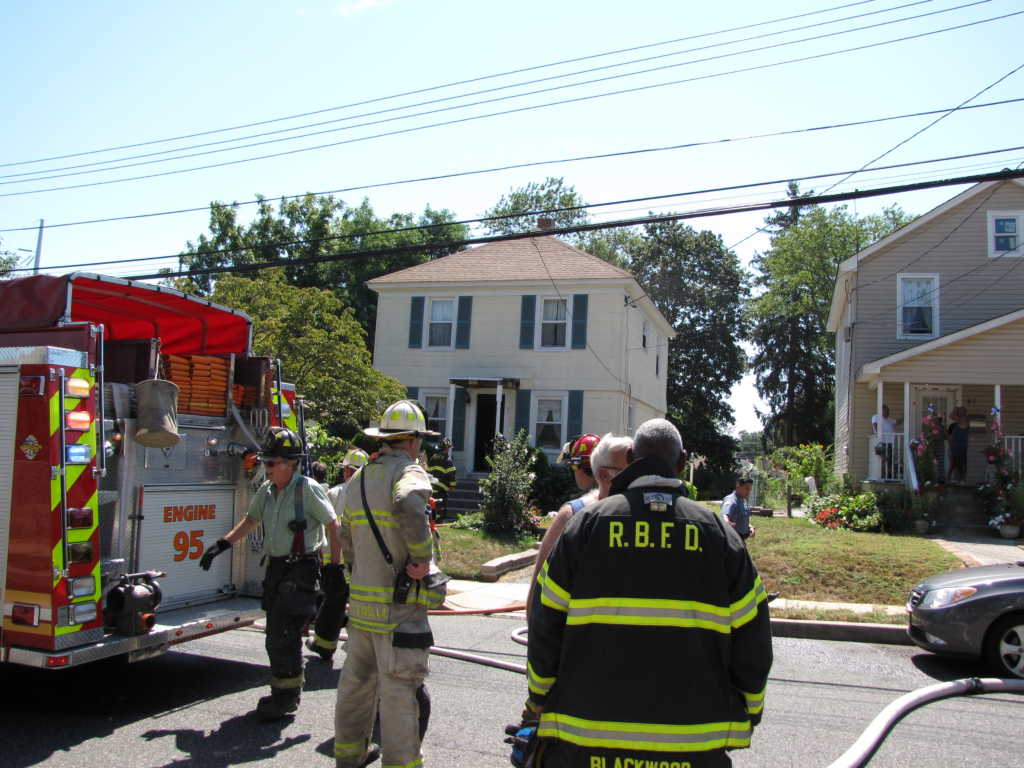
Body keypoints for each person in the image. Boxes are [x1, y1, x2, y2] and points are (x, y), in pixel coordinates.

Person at [526, 419, 773, 767]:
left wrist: (538, 698)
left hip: (587, 740)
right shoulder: (720, 534)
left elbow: (544, 621)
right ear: (683, 462)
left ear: (630, 456)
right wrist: (749, 709)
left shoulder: (586, 526)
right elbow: (754, 639)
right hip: (694, 743)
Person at [333, 400, 447, 768]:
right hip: (398, 613)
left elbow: (344, 534)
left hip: (362, 609)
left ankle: (348, 757)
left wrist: (358, 570)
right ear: (412, 441)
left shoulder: (360, 478)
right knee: (399, 696)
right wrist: (421, 557)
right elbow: (411, 503)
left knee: (355, 689)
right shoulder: (410, 471)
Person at [199, 426, 341, 720]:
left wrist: (333, 566)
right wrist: (222, 545)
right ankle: (285, 692)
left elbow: (333, 525)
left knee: (283, 634)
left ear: (291, 464)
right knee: (276, 633)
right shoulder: (267, 491)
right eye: (266, 462)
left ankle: (286, 697)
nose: (267, 468)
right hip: (277, 569)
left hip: (301, 569)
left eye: (273, 463)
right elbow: (251, 522)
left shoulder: (307, 489)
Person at [527, 433, 601, 617]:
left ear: (581, 466)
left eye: (572, 467)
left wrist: (532, 618)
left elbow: (541, 579)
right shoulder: (627, 507)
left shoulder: (571, 513)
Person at [306, 447, 370, 662]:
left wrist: (328, 561)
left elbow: (325, 526)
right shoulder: (372, 493)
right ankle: (362, 651)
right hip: (363, 561)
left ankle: (325, 644)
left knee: (332, 602)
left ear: (346, 472)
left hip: (335, 560)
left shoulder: (334, 493)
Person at [426, 438, 457, 519]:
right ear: (446, 448)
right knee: (441, 505)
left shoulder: (433, 458)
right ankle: (440, 519)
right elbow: (451, 474)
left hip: (432, 486)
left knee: (432, 505)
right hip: (442, 488)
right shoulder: (447, 460)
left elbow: (428, 471)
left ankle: (432, 519)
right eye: (448, 448)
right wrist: (452, 486)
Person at [871, 405, 899, 479]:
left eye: (888, 411)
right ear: (882, 410)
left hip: (890, 443)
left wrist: (905, 417)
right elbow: (875, 425)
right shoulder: (876, 417)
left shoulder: (889, 420)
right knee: (883, 459)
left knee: (889, 459)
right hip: (881, 442)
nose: (888, 413)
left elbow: (897, 422)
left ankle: (888, 476)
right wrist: (878, 435)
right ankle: (882, 476)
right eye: (886, 411)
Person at [947, 406, 970, 484]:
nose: (961, 413)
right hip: (955, 446)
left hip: (963, 446)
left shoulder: (966, 421)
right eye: (959, 412)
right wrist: (955, 410)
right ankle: (950, 479)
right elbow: (951, 416)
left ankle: (962, 479)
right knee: (953, 463)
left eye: (962, 411)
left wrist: (956, 410)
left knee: (962, 463)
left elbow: (953, 416)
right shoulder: (955, 424)